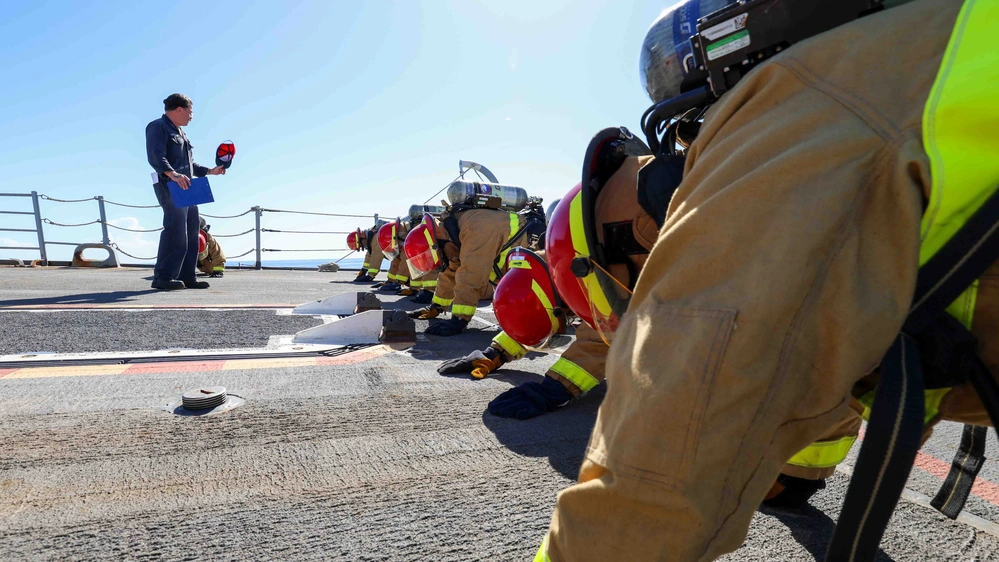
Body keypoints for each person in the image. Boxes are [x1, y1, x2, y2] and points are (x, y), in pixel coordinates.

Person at [534, 0, 999, 560]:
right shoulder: (883, 60)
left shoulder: (774, 131)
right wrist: (795, 474)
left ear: (634, 231)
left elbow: (648, 492)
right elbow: (835, 340)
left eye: (622, 288)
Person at [403, 203, 535, 336]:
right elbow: (453, 270)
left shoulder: (475, 228)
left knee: (527, 324)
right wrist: (436, 307)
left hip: (535, 276)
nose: (444, 259)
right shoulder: (455, 233)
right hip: (514, 274)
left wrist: (459, 319)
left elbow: (471, 273)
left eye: (441, 255)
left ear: (438, 244)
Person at [146, 93, 225, 291]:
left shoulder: (181, 133)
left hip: (188, 187)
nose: (191, 116)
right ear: (179, 109)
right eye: (190, 111)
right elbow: (156, 156)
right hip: (171, 185)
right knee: (175, 231)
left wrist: (210, 171)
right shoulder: (158, 126)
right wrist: (172, 174)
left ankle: (187, 276)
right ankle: (163, 277)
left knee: (191, 232)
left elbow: (190, 165)